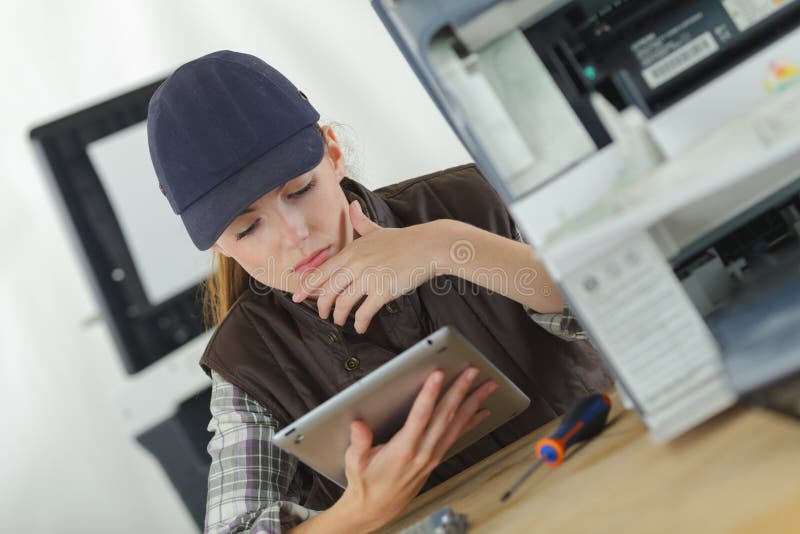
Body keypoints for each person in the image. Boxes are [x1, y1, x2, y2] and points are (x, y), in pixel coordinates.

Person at [147, 50, 612, 533]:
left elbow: (614, 296)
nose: (294, 235)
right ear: (219, 244)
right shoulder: (244, 365)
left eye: (300, 190)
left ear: (332, 152)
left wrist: (448, 246)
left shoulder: (469, 201)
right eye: (247, 230)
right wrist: (360, 511)